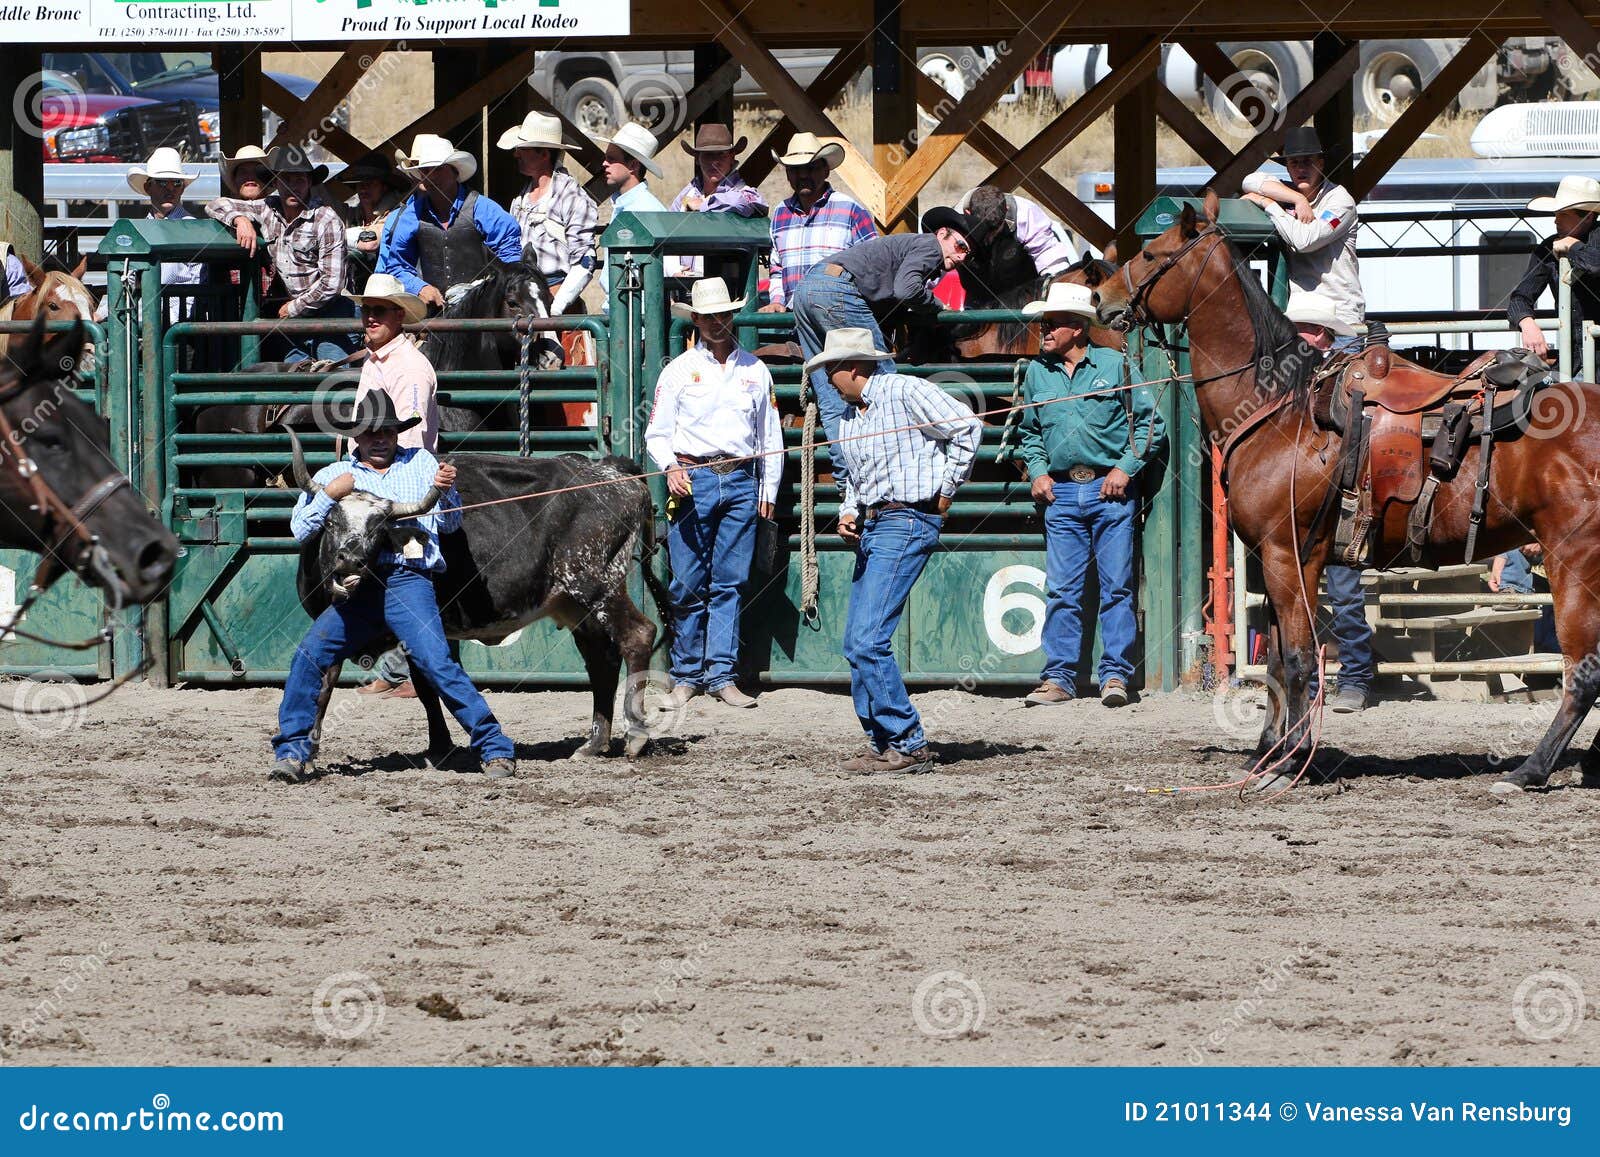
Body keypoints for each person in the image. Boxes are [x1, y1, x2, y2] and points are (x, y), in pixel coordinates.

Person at [272, 391, 517, 783]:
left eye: (387, 431)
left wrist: (446, 490)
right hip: (359, 588)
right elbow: (300, 529)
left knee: (436, 662)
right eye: (371, 433)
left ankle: (494, 747)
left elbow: (450, 525)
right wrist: (331, 496)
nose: (380, 438)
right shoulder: (334, 474)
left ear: (397, 434)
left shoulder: (422, 463)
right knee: (310, 655)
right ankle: (292, 752)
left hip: (409, 579)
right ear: (357, 438)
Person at [807, 328, 980, 774]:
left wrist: (946, 491)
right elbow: (857, 478)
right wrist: (849, 511)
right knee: (857, 641)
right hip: (878, 522)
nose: (826, 378)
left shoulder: (905, 390)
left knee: (867, 639)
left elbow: (967, 426)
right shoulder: (850, 419)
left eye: (829, 369)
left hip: (908, 518)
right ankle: (882, 739)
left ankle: (907, 740)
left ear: (853, 367)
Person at [1016, 282, 1166, 709]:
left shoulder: (1115, 366)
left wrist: (1125, 468)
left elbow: (1151, 424)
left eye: (1052, 323)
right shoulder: (1035, 373)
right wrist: (1040, 472)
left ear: (1078, 328)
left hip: (1109, 492)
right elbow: (1030, 432)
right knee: (1063, 589)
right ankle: (1060, 677)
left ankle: (1115, 674)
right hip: (1061, 494)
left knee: (1116, 587)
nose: (1044, 330)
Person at [645, 278, 783, 710]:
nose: (718, 322)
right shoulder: (679, 370)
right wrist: (670, 467)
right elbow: (657, 433)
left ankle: (721, 674)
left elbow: (770, 435)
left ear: (731, 316)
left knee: (729, 581)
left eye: (724, 314)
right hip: (694, 477)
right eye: (709, 316)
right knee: (687, 581)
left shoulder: (755, 371)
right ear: (697, 320)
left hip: (742, 479)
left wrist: (769, 489)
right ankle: (687, 674)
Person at [789, 208, 975, 493]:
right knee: (882, 383)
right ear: (941, 235)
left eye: (967, 253)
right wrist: (939, 307)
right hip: (838, 291)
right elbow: (906, 289)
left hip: (807, 290)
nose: (961, 256)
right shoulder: (928, 246)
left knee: (831, 394)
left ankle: (848, 486)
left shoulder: (907, 247)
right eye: (959, 246)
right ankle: (889, 481)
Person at [1285, 291, 1375, 712]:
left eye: (1299, 329)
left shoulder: (1343, 375)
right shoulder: (1288, 377)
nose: (1292, 336)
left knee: (1343, 590)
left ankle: (1355, 676)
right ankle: (1312, 679)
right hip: (1297, 498)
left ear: (1318, 333)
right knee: (1301, 596)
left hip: (1338, 497)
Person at [206, 144, 353, 364]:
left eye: (300, 180)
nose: (293, 187)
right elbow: (216, 204)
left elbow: (332, 284)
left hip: (329, 312)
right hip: (291, 318)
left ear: (310, 183)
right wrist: (240, 219)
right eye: (286, 180)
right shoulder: (267, 209)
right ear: (275, 183)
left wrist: (293, 308)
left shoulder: (326, 219)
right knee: (294, 380)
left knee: (335, 378)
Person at [1238, 126, 1362, 341]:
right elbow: (1249, 181)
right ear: (1287, 167)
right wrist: (1298, 199)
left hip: (1338, 320)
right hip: (1301, 318)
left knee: (1340, 374)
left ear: (1321, 163)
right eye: (1294, 162)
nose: (1301, 168)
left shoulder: (1340, 202)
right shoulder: (1289, 195)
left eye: (1308, 161)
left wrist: (1267, 203)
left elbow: (1305, 240)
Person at [380, 134, 523, 312]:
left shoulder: (483, 209)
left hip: (484, 314)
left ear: (455, 172)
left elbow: (511, 257)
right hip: (435, 312)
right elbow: (397, 265)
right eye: (425, 171)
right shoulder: (411, 216)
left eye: (438, 169)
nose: (431, 176)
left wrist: (488, 289)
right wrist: (420, 288)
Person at [759, 132, 877, 315]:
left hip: (839, 315)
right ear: (788, 174)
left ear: (826, 171)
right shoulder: (781, 213)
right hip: (792, 318)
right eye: (796, 169)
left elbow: (873, 265)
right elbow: (777, 268)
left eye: (811, 167)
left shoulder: (851, 210)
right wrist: (776, 301)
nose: (803, 175)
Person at [500, 111, 600, 316]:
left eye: (523, 149)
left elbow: (584, 260)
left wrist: (555, 308)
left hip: (556, 299)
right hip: (523, 299)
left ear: (544, 154)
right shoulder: (522, 197)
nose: (516, 154)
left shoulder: (572, 197)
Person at [1508, 174, 1600, 374]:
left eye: (1564, 214)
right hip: (1572, 364)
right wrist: (1527, 323)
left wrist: (1573, 246)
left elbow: (1596, 265)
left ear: (1588, 216)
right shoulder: (1548, 248)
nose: (1555, 220)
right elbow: (1520, 297)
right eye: (1556, 213)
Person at [668, 124, 768, 278]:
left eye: (720, 154)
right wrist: (673, 270)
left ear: (732, 156)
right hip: (687, 288)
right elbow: (667, 232)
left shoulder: (742, 191)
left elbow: (750, 201)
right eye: (707, 155)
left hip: (730, 288)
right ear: (697, 159)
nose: (714, 162)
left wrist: (704, 204)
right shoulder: (686, 194)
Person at [123, 147, 205, 324]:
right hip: (142, 322)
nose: (170, 189)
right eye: (161, 182)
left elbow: (197, 283)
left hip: (180, 329)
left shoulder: (193, 229)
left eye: (176, 182)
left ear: (182, 188)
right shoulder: (138, 230)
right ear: (148, 187)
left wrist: (172, 322)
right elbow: (127, 283)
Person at [593, 121, 668, 309]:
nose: (604, 164)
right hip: (625, 311)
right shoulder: (627, 204)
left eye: (611, 159)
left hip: (636, 316)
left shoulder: (647, 209)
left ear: (633, 165)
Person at [956, 186, 1078, 280]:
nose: (990, 237)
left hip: (1021, 293)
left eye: (995, 229)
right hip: (976, 293)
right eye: (984, 230)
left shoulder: (1026, 213)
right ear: (968, 213)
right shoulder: (954, 222)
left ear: (1006, 210)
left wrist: (1055, 285)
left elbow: (1048, 255)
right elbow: (942, 257)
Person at [340, 151, 410, 292]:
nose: (364, 188)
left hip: (389, 293)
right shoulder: (351, 215)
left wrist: (332, 237)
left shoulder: (398, 214)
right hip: (353, 293)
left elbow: (370, 242)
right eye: (360, 184)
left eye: (370, 183)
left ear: (385, 187)